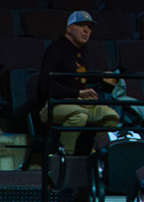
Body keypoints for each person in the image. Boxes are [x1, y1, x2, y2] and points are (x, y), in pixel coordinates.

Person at [38, 11, 122, 152]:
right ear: (69, 28)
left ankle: (97, 156)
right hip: (54, 104)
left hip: (79, 102)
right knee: (79, 116)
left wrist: (101, 77)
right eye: (81, 25)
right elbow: (45, 85)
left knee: (111, 116)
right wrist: (78, 92)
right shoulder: (55, 50)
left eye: (89, 27)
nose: (86, 30)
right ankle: (65, 159)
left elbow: (80, 75)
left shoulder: (82, 51)